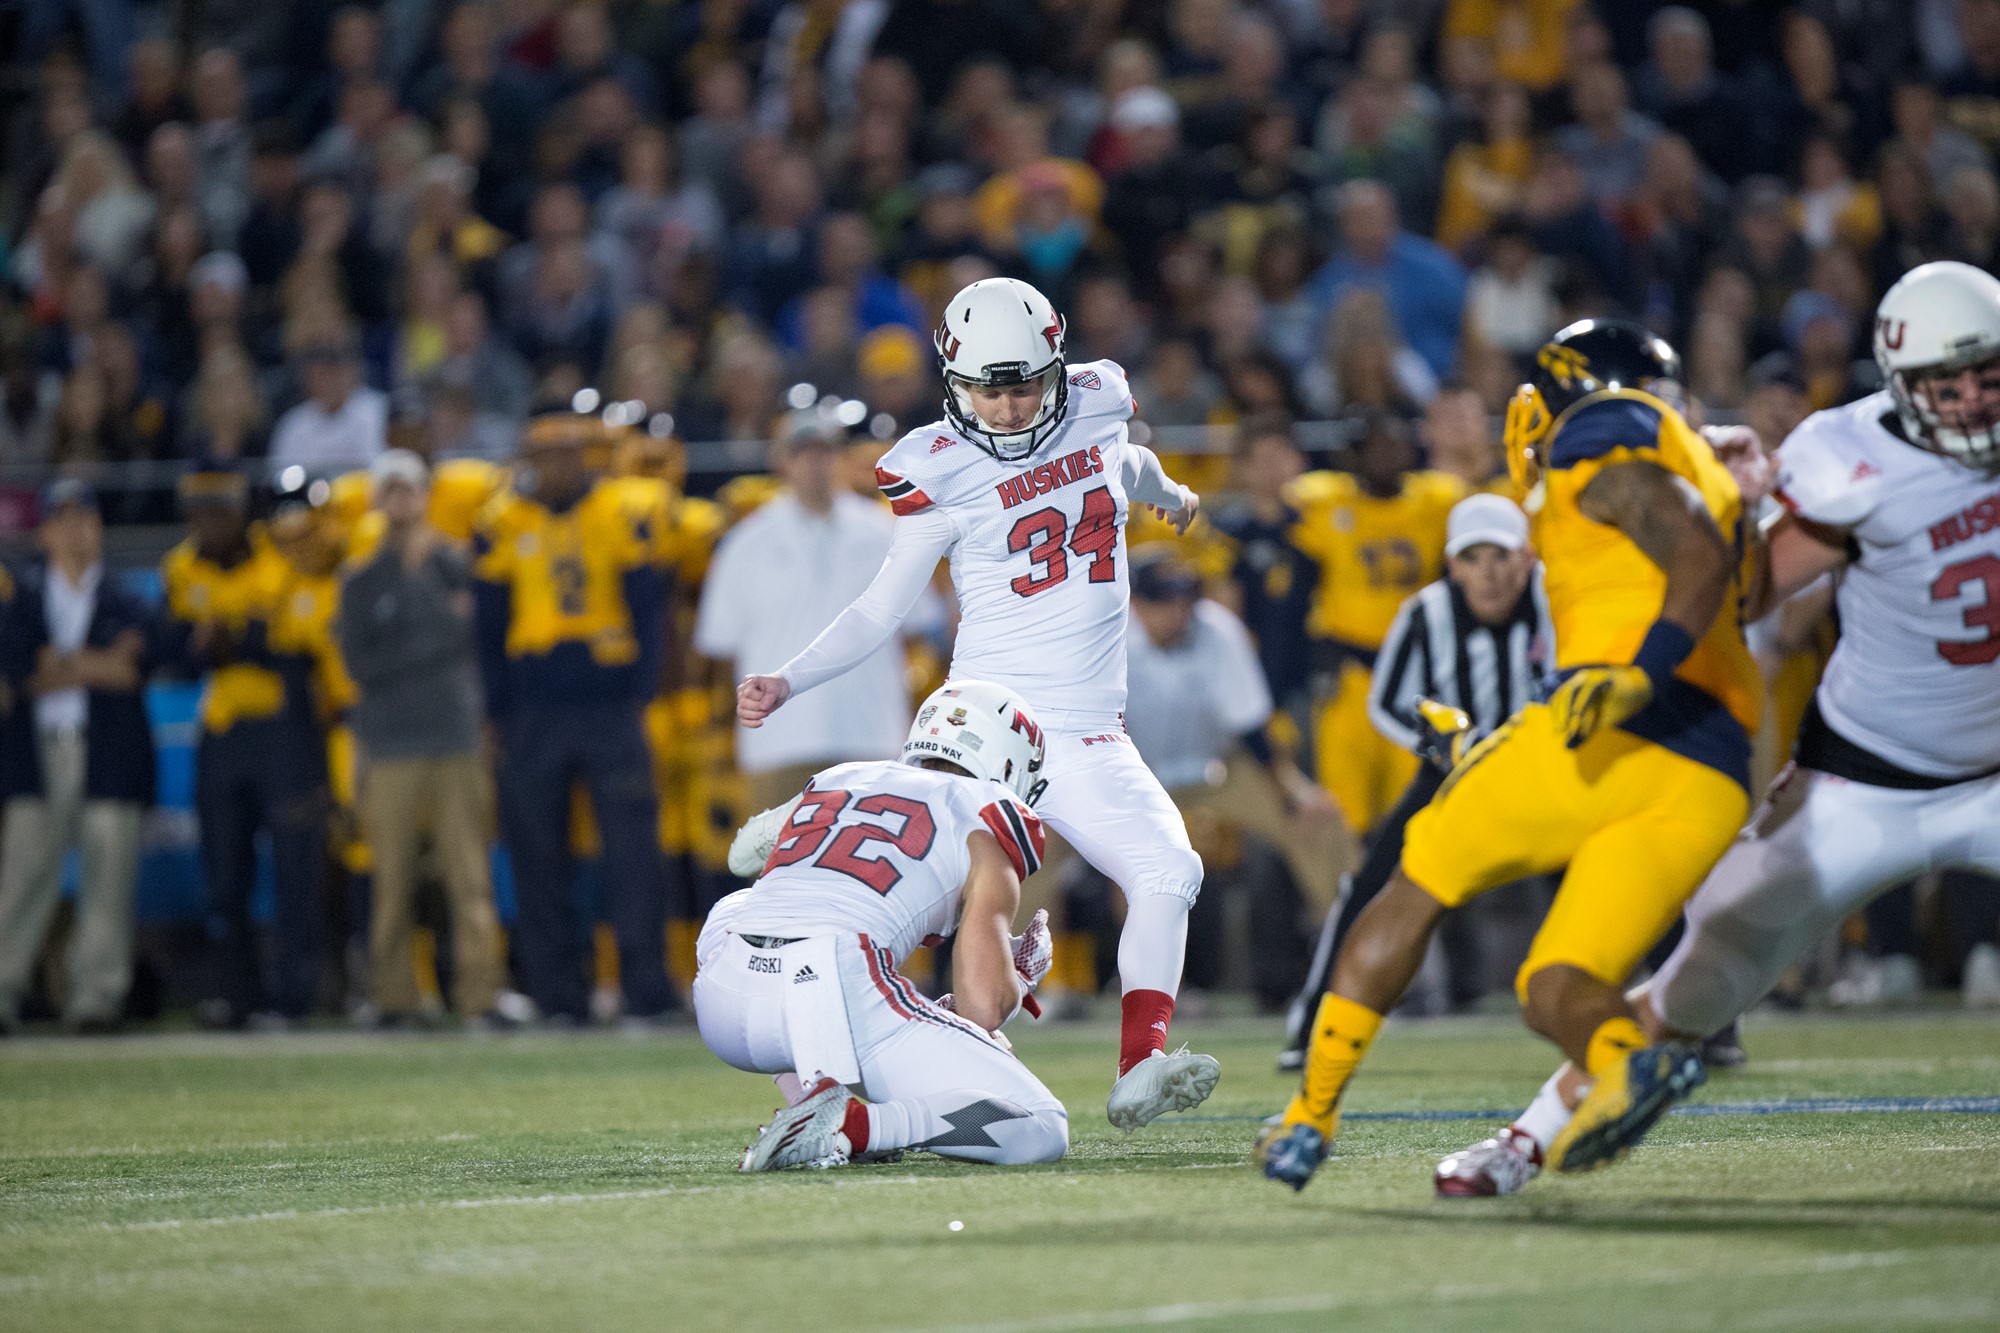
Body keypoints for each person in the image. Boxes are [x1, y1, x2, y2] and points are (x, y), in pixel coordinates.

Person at [1432, 261, 2000, 1196]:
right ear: (1903, 384)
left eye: (1987, 376)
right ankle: (1529, 1137)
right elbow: (1749, 595)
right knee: (1713, 958)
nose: (1974, 401)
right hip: (1867, 775)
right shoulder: (1851, 457)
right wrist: (1735, 511)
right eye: (1950, 383)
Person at [1262, 318, 1761, 1191]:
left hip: (1604, 728)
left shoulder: (1601, 434)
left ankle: (1310, 1114)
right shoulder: (1711, 473)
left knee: (1416, 882)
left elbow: (1688, 545)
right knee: (1555, 983)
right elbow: (1739, 572)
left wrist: (1640, 672)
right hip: (1712, 770)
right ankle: (1623, 1062)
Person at [734, 277, 1219, 1130]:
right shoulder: (937, 466)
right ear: (954, 383)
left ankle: (1141, 1063)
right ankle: (820, 823)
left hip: (1088, 730)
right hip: (986, 720)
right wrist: (790, 678)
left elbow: (1124, 460)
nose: (1006, 407)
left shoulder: (1098, 402)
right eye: (987, 391)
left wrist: (1167, 493)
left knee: (1170, 869)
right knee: (916, 902)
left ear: (1057, 367)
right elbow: (881, 608)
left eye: (1023, 385)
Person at [703, 680, 1067, 1171]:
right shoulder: (987, 814)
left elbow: (741, 855)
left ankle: (808, 1101)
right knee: (1042, 1126)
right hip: (831, 990)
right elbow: (982, 1009)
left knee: (736, 907)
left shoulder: (842, 776)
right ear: (1009, 764)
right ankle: (849, 1127)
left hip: (721, 999)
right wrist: (1018, 977)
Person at [1277, 492, 1555, 1070]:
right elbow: (1386, 702)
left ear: (1526, 558)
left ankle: (1689, 1018)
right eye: (1473, 558)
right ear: (1453, 565)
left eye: (1500, 556)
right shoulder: (1427, 612)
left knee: (1619, 861)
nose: (1488, 573)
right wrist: (1440, 743)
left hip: (1540, 769)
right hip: (1449, 775)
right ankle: (1313, 1024)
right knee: (1368, 888)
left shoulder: (1556, 600)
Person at [472, 410, 675, 1027]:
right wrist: (498, 713)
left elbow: (649, 608)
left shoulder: (621, 512)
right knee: (537, 852)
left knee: (632, 851)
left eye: (570, 451)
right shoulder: (501, 521)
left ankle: (646, 988)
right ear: (529, 459)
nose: (560, 464)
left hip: (608, 704)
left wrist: (640, 692)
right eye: (547, 453)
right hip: (534, 709)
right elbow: (488, 624)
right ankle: (558, 992)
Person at [694, 408, 939, 813]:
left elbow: (920, 630)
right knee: (776, 853)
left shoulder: (884, 531)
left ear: (840, 457)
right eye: (802, 452)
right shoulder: (746, 544)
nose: (814, 463)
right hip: (779, 744)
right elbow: (720, 652)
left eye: (824, 451)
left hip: (872, 737)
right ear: (781, 461)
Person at [1122, 550, 1343, 994]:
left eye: (1184, 598)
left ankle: (1354, 966)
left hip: (1217, 770)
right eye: (1163, 600)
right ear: (1136, 603)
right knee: (1034, 842)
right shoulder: (1108, 635)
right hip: (1129, 775)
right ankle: (1010, 978)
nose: (1177, 611)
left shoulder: (1216, 628)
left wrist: (1293, 792)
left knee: (1319, 823)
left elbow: (1252, 727)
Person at [337, 450, 505, 1028]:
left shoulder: (455, 564)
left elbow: (474, 638)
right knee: (392, 880)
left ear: (426, 495)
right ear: (377, 500)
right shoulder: (362, 579)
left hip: (455, 737)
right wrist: (438, 627)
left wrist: (403, 637)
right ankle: (394, 998)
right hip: (391, 745)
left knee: (469, 876)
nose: (401, 500)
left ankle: (480, 995)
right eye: (391, 489)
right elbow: (359, 664)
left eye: (409, 488)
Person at [159, 465, 329, 1028]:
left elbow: (299, 649)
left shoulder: (281, 553)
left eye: (220, 511)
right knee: (224, 871)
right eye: (200, 512)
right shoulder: (181, 567)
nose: (210, 523)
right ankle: (236, 994)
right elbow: (177, 656)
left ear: (240, 512)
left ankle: (295, 995)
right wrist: (215, 643)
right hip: (225, 729)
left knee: (295, 867)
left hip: (284, 726)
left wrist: (234, 638)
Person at [0, 482, 156, 1033]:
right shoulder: (21, 597)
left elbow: (135, 670)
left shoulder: (124, 596)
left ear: (99, 527)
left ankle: (96, 999)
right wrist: (98, 663)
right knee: (22, 877)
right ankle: (4, 991)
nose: (74, 530)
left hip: (107, 750)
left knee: (108, 878)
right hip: (38, 752)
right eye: (62, 519)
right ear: (43, 532)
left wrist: (58, 663)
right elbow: (17, 673)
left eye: (84, 518)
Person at [1291, 413, 1467, 838]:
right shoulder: (1327, 503)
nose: (1387, 453)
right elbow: (1300, 592)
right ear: (1353, 455)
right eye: (1375, 445)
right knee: (1345, 809)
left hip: (1415, 670)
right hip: (1349, 672)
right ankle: (1348, 879)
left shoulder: (1437, 500)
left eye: (1395, 443)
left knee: (1413, 804)